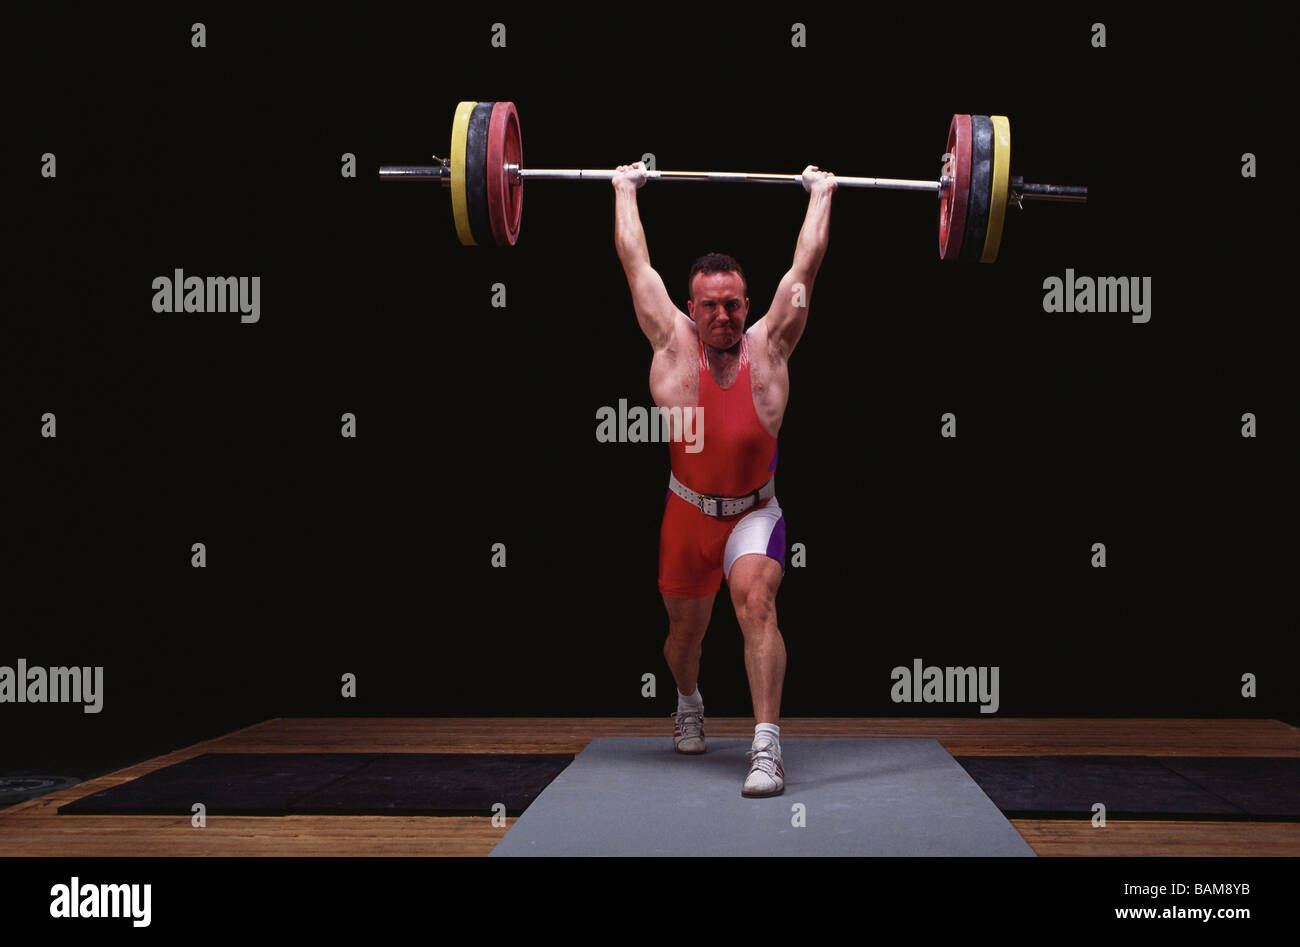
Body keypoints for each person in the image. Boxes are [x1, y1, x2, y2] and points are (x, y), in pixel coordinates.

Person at [612, 160, 835, 796]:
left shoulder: (773, 348)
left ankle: (767, 750)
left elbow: (807, 265)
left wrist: (821, 193)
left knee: (757, 606)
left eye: (733, 304)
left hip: (754, 513)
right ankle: (688, 700)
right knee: (684, 639)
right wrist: (623, 189)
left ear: (747, 301)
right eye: (709, 305)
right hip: (686, 517)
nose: (722, 316)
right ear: (690, 308)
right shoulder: (671, 347)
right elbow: (636, 264)